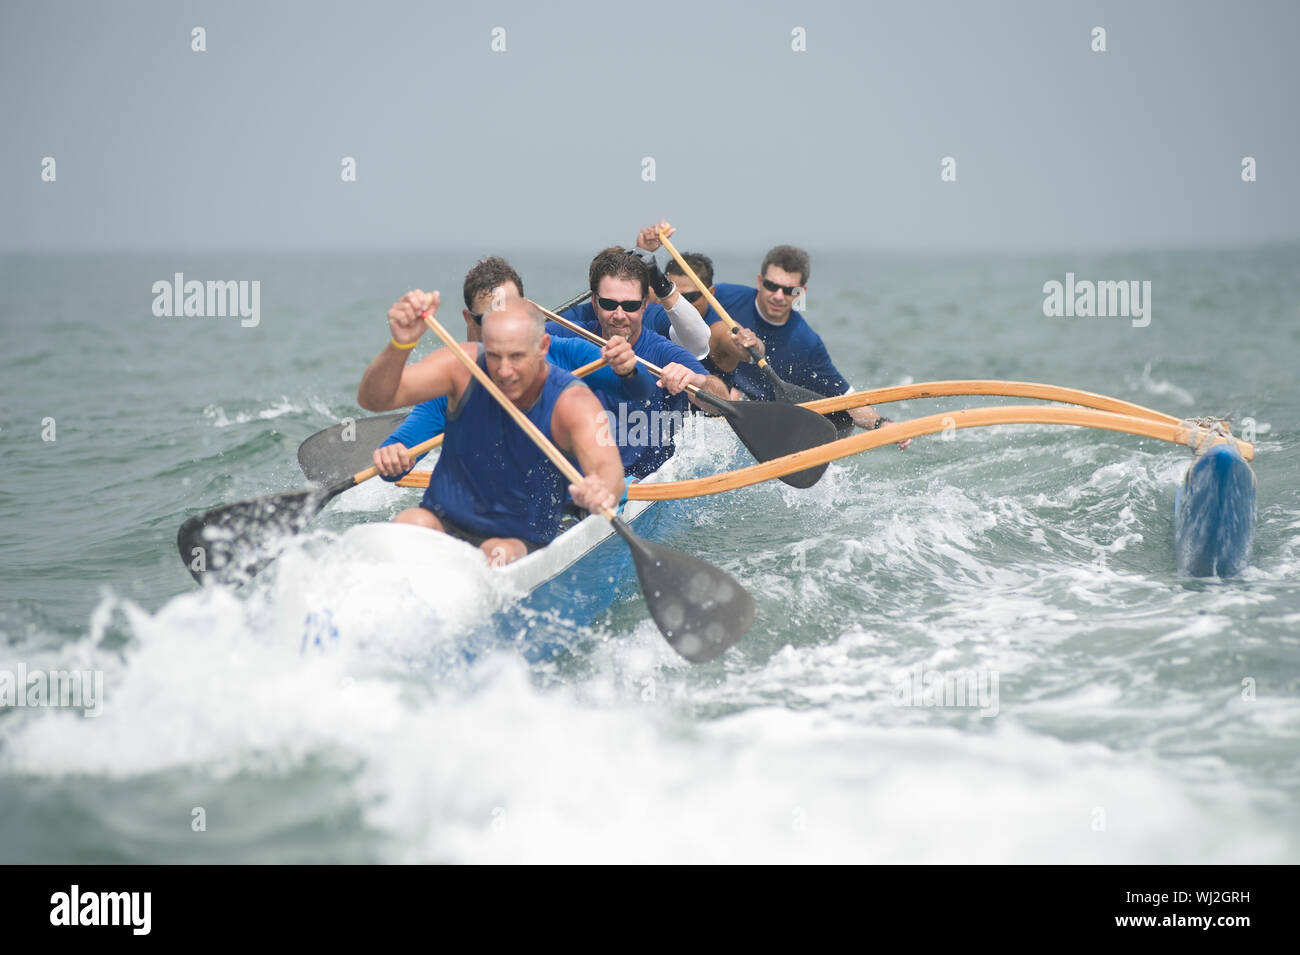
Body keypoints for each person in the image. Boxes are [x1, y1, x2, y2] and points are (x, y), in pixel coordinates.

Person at [357, 295, 625, 566]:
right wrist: (400, 345)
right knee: (407, 524)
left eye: (517, 357)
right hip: (445, 520)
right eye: (494, 356)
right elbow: (374, 400)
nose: (504, 371)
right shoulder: (461, 367)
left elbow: (609, 470)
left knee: (495, 554)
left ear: (543, 347)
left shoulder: (572, 402)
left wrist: (601, 489)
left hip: (517, 538)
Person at [371, 256, 653, 480]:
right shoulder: (451, 383)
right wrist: (392, 458)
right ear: (469, 320)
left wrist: (628, 369)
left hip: (568, 506)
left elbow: (640, 391)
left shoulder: (565, 351)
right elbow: (399, 458)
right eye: (490, 320)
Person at [548, 246, 731, 477]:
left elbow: (722, 399)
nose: (619, 315)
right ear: (595, 303)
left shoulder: (663, 353)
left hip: (647, 484)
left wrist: (696, 380)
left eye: (630, 306)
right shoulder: (567, 337)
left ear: (645, 305)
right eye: (609, 304)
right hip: (586, 482)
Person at [704, 244, 909, 445]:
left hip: (756, 420)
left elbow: (846, 398)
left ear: (801, 292)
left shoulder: (806, 343)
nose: (778, 296)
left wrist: (882, 424)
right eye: (771, 286)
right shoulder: (721, 298)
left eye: (789, 290)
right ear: (759, 281)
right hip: (709, 394)